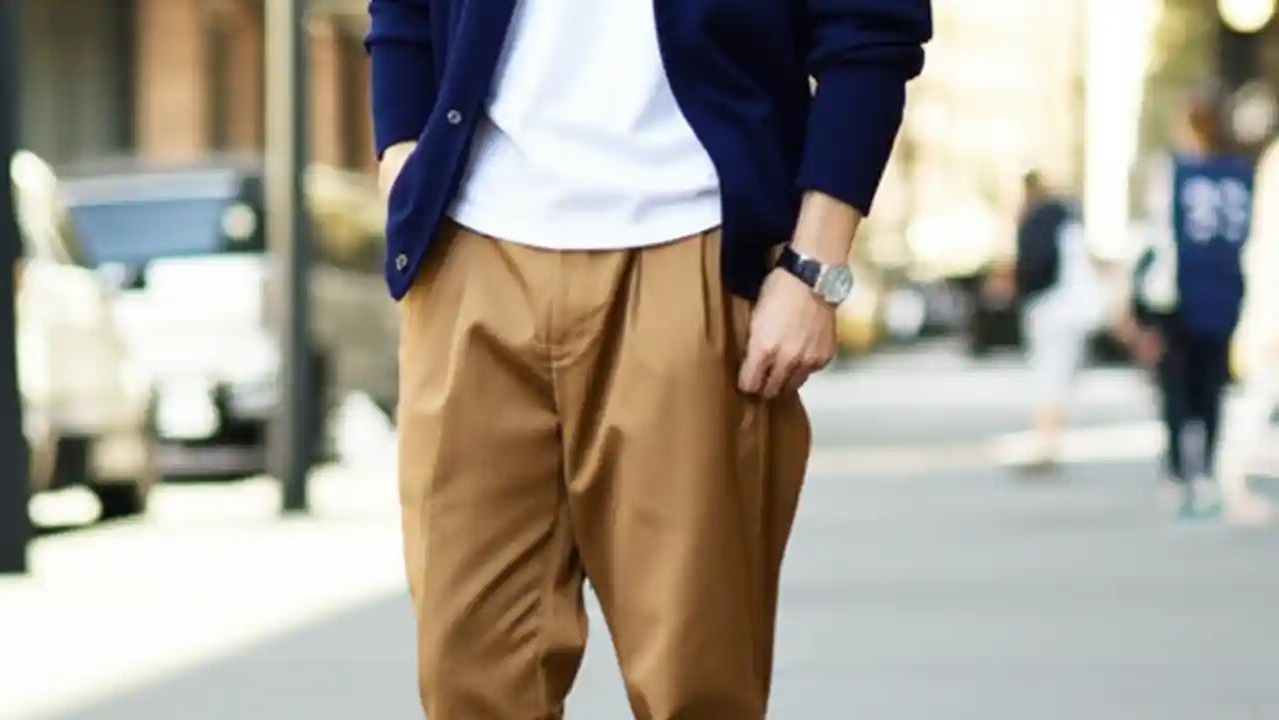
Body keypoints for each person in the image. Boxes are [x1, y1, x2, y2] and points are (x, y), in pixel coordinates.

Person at [366, 1, 931, 717]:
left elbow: (870, 28)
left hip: (690, 242)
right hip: (474, 246)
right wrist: (402, 155)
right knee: (468, 680)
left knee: (695, 683)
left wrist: (815, 265)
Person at [1130, 86, 1253, 519]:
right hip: (1225, 292)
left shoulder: (1175, 173)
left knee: (1177, 387)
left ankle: (1181, 472)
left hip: (1179, 294)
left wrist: (1140, 302)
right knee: (1212, 386)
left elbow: (1159, 237)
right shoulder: (1241, 173)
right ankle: (1206, 472)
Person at [1012, 172, 1103, 472]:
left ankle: (1046, 446)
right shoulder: (1066, 220)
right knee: (1056, 381)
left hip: (1047, 311)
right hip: (1068, 311)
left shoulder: (1037, 222)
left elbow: (1028, 270)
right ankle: (1049, 444)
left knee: (1047, 380)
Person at [1216, 133, 1279, 523]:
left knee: (1257, 398)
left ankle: (1234, 483)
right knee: (1258, 398)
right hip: (1271, 302)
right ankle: (1234, 485)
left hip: (1266, 297)